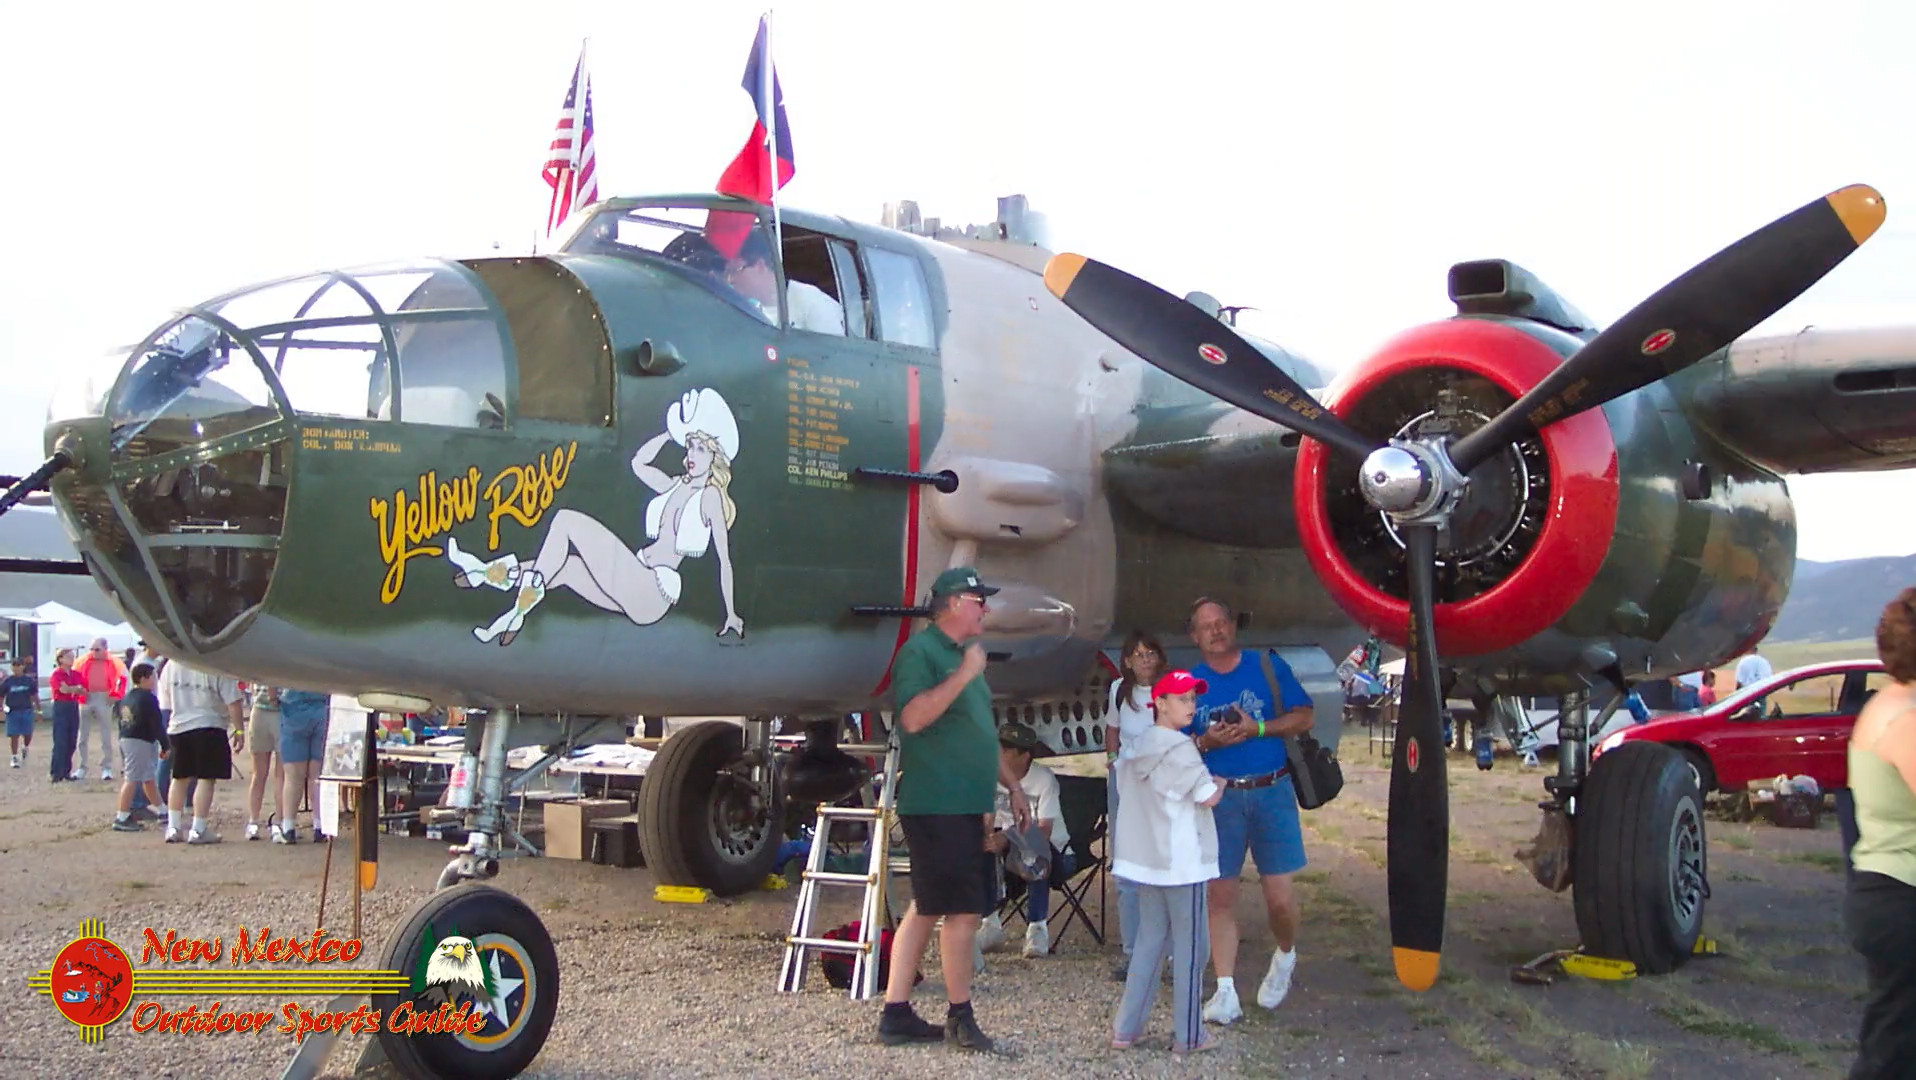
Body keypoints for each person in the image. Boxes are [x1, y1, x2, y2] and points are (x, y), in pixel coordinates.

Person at [453, 387, 745, 645]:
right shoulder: (674, 485)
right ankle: (487, 577)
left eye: (702, 448)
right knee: (564, 568)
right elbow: (639, 463)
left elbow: (725, 560)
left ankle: (506, 590)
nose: (693, 453)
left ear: (715, 456)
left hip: (652, 588)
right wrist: (671, 432)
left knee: (567, 521)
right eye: (691, 444)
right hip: (638, 577)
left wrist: (730, 613)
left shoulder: (710, 497)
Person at [876, 566, 1030, 1052]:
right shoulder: (922, 654)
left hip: (963, 801)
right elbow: (913, 718)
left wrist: (1012, 785)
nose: (985, 607)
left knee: (928, 906)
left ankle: (896, 1012)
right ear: (954, 603)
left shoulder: (967, 656)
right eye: (978, 599)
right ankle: (960, 1016)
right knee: (963, 912)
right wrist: (965, 674)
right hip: (938, 802)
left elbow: (979, 733)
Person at [1185, 597, 1314, 1024]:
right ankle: (1225, 991)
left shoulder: (1266, 668)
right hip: (1221, 799)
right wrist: (1208, 742)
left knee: (1278, 898)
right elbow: (1175, 743)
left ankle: (1286, 952)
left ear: (1232, 627)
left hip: (1271, 791)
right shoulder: (1190, 685)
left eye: (1222, 622)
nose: (1216, 630)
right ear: (1195, 637)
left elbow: (1304, 716)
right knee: (1219, 897)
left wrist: (1257, 728)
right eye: (1207, 626)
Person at [1111, 670, 1223, 1056]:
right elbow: (1207, 796)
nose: (1190, 705)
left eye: (1192, 698)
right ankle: (1189, 1034)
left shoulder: (1137, 747)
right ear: (1159, 702)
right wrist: (1221, 781)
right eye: (1182, 698)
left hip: (1147, 861)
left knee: (1149, 941)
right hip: (1183, 862)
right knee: (1191, 948)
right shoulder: (1181, 749)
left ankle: (1127, 1029)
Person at [1844, 587, 1916, 1079]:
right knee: (1893, 1052)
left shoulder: (1889, 703)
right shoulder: (1906, 719)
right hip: (1901, 899)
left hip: (1885, 891)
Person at [979, 722, 1074, 959]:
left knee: (1033, 850)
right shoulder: (991, 775)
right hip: (1009, 852)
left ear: (1025, 756)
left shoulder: (1044, 780)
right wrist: (986, 836)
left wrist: (1007, 838)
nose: (998, 754)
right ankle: (989, 924)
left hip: (1057, 855)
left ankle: (1037, 928)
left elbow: (1044, 831)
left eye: (1006, 750)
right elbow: (987, 817)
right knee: (980, 849)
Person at [1104, 631, 1166, 980]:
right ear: (1127, 661)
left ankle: (1169, 954)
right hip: (1126, 782)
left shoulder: (1171, 688)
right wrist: (1113, 758)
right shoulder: (1118, 690)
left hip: (1160, 782)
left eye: (1149, 653)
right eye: (1137, 654)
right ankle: (1131, 952)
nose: (1144, 660)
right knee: (1127, 869)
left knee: (1163, 867)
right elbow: (1112, 728)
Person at [160, 658, 245, 844]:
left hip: (179, 725)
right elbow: (233, 700)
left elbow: (164, 702)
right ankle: (198, 829)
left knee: (179, 777)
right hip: (210, 724)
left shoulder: (172, 664)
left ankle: (173, 827)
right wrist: (239, 729)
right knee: (206, 778)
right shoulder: (215, 664)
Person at [725, 230, 846, 335]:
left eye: (736, 270)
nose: (731, 279)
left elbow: (835, 354)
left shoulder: (810, 301)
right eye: (728, 273)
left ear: (760, 266)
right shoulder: (753, 315)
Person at [111, 663, 169, 833]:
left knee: (147, 777)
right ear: (144, 678)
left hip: (126, 738)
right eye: (153, 677)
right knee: (132, 778)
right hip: (140, 739)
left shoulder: (127, 696)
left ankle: (162, 810)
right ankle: (121, 816)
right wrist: (165, 744)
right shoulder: (148, 698)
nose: (155, 681)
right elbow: (156, 723)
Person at [276, 689, 330, 843]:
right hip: (321, 708)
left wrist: (274, 698)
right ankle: (320, 826)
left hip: (294, 708)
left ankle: (288, 828)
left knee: (293, 777)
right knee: (317, 775)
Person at [73, 637, 126, 781]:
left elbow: (123, 679)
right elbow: (74, 676)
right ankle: (81, 767)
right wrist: (78, 690)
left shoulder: (114, 662)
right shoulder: (82, 661)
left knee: (105, 734)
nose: (93, 652)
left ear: (105, 649)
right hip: (86, 697)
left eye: (97, 649)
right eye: (91, 649)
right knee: (82, 734)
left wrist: (116, 695)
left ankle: (106, 767)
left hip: (104, 697)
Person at [244, 686, 284, 841]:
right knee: (281, 776)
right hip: (279, 710)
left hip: (259, 709)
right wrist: (273, 697)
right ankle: (280, 821)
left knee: (258, 774)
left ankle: (253, 822)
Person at [48, 648, 85, 783]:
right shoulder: (56, 675)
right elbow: (62, 689)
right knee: (60, 740)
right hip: (61, 706)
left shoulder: (76, 674)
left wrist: (72, 689)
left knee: (71, 740)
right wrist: (75, 688)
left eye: (72, 656)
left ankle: (66, 771)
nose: (72, 659)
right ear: (60, 659)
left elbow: (84, 690)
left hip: (73, 706)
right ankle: (56, 772)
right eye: (68, 656)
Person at [5, 656, 38, 767]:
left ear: (23, 666)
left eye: (18, 665)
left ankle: (25, 747)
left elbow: (34, 695)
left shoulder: (29, 681)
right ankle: (14, 757)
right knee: (14, 735)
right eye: (14, 665)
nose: (16, 668)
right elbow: (1, 695)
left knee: (27, 734)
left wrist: (38, 710)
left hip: (26, 710)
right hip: (12, 711)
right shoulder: (8, 681)